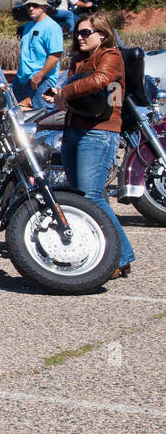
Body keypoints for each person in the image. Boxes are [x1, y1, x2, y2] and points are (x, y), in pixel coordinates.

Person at [55, 14, 134, 278]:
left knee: (92, 197)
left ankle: (119, 258)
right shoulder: (78, 61)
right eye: (77, 33)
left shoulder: (111, 56)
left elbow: (102, 81)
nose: (80, 36)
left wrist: (65, 92)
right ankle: (107, 255)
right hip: (75, 130)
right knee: (81, 199)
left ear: (102, 34)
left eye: (86, 32)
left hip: (100, 132)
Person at [15, 0, 65, 108]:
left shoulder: (52, 27)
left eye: (35, 5)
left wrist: (40, 75)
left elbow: (55, 55)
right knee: (5, 106)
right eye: (28, 5)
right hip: (22, 78)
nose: (31, 8)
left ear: (45, 7)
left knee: (43, 115)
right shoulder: (29, 25)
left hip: (41, 80)